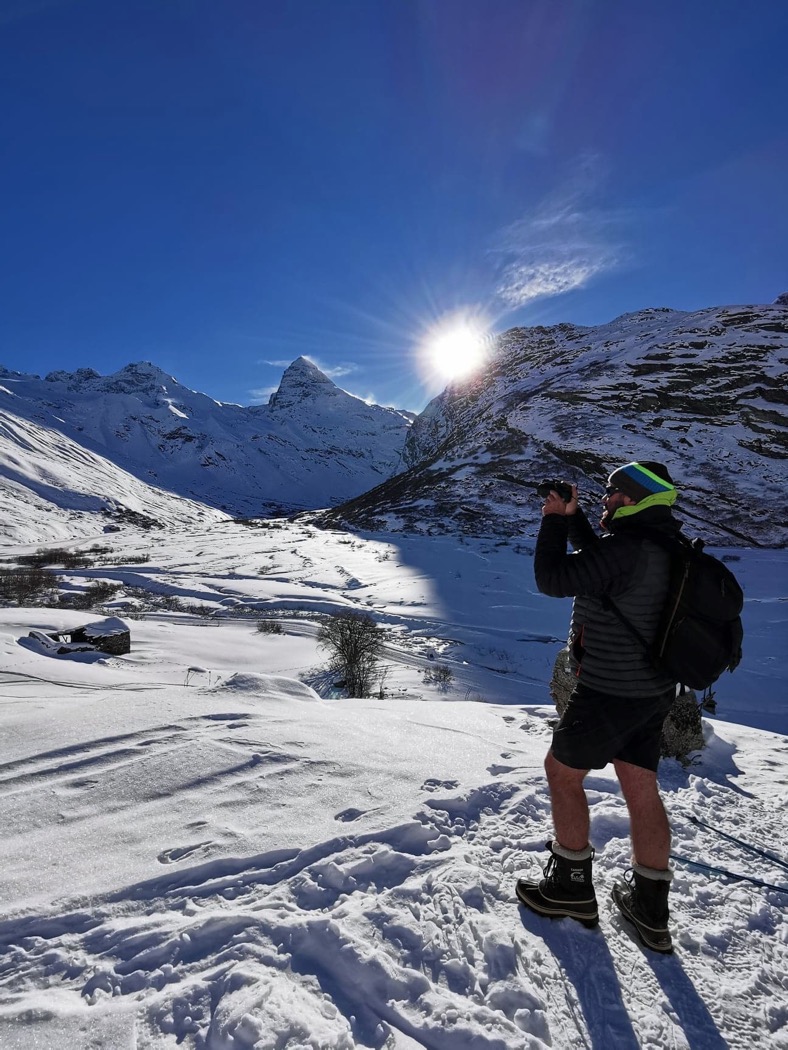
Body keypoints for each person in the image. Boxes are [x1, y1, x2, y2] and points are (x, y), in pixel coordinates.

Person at [516, 461, 680, 953]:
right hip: (652, 691)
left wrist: (550, 519)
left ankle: (571, 889)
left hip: (610, 689)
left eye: (613, 494)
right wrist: (574, 516)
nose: (606, 500)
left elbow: (552, 577)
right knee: (641, 785)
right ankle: (650, 907)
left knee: (562, 773)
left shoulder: (627, 549)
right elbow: (602, 561)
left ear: (634, 498)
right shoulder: (661, 541)